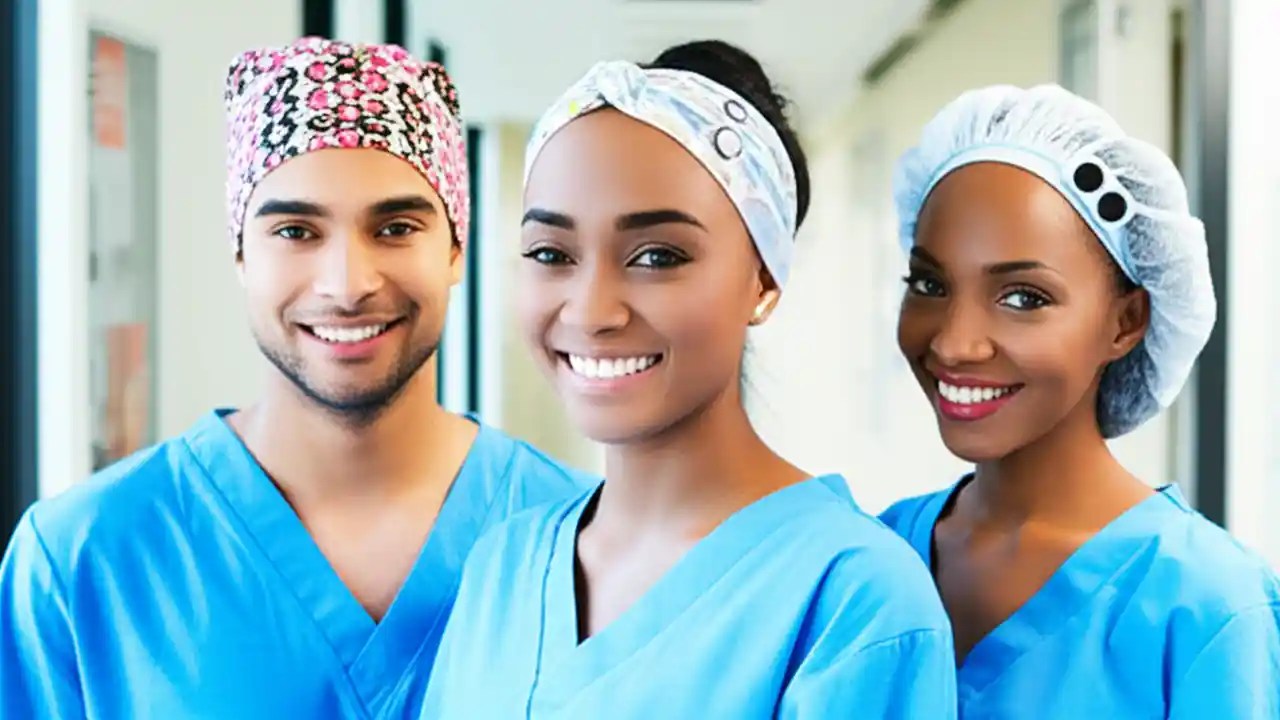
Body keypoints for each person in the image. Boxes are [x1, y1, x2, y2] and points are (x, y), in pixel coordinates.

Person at [0, 37, 592, 719]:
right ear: (241, 252)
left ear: (455, 248)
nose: (347, 286)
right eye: (296, 231)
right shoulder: (86, 560)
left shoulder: (587, 542)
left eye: (396, 227)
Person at [421, 40, 957, 719]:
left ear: (763, 277)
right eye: (551, 253)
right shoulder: (502, 567)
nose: (590, 310)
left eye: (656, 256)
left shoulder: (855, 600)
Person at [879, 84, 1280, 718]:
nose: (954, 344)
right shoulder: (872, 557)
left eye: (1023, 297)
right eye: (930, 284)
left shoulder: (1207, 605)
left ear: (1126, 321)